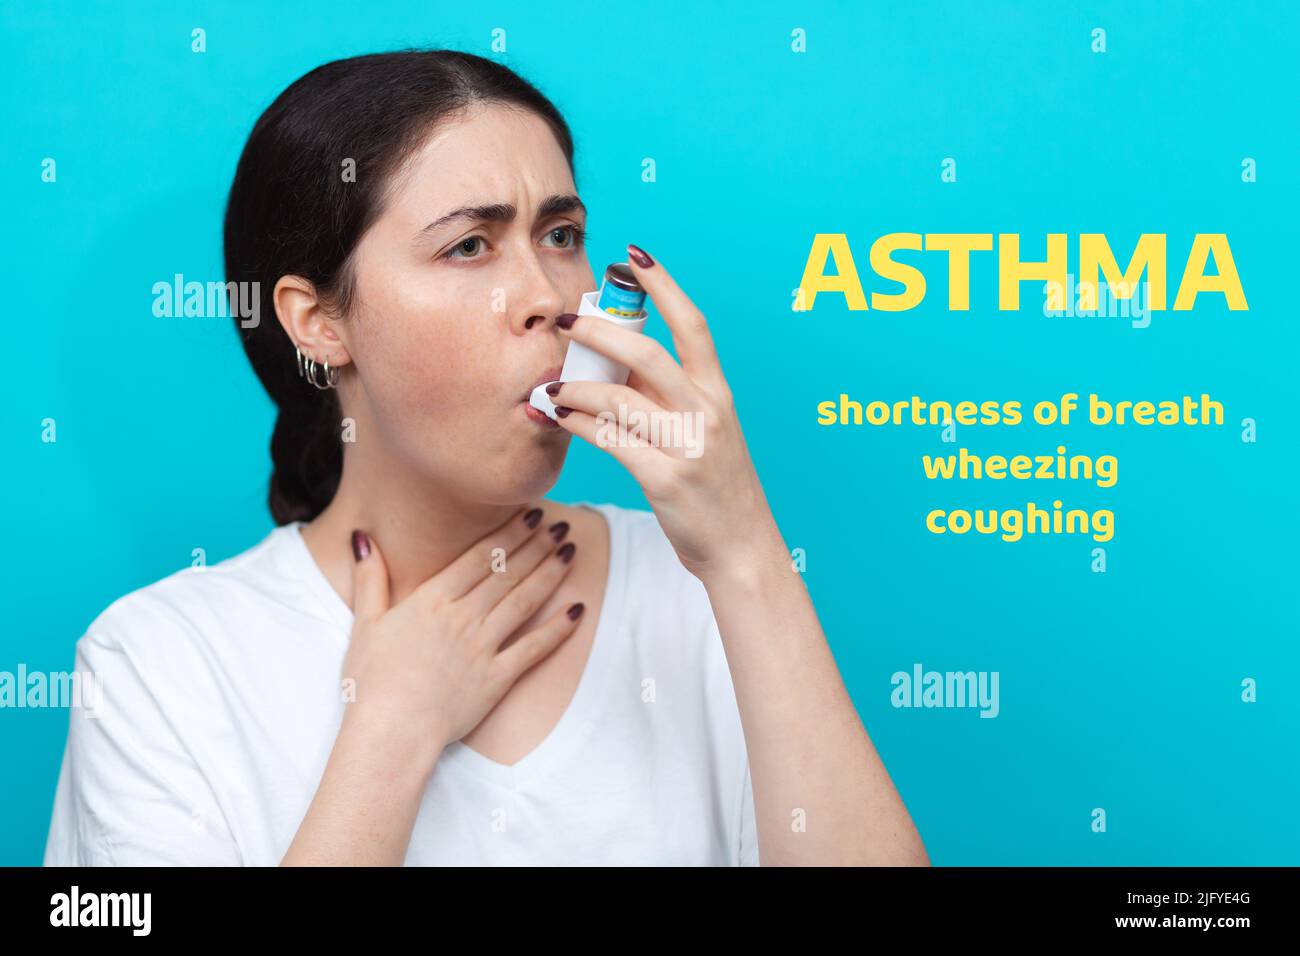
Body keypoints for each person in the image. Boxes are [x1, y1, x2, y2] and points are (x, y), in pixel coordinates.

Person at [43, 49, 928, 866]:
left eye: (560, 235)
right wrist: (390, 736)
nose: (552, 298)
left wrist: (749, 558)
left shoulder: (691, 588)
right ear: (319, 320)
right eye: (469, 245)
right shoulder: (158, 665)